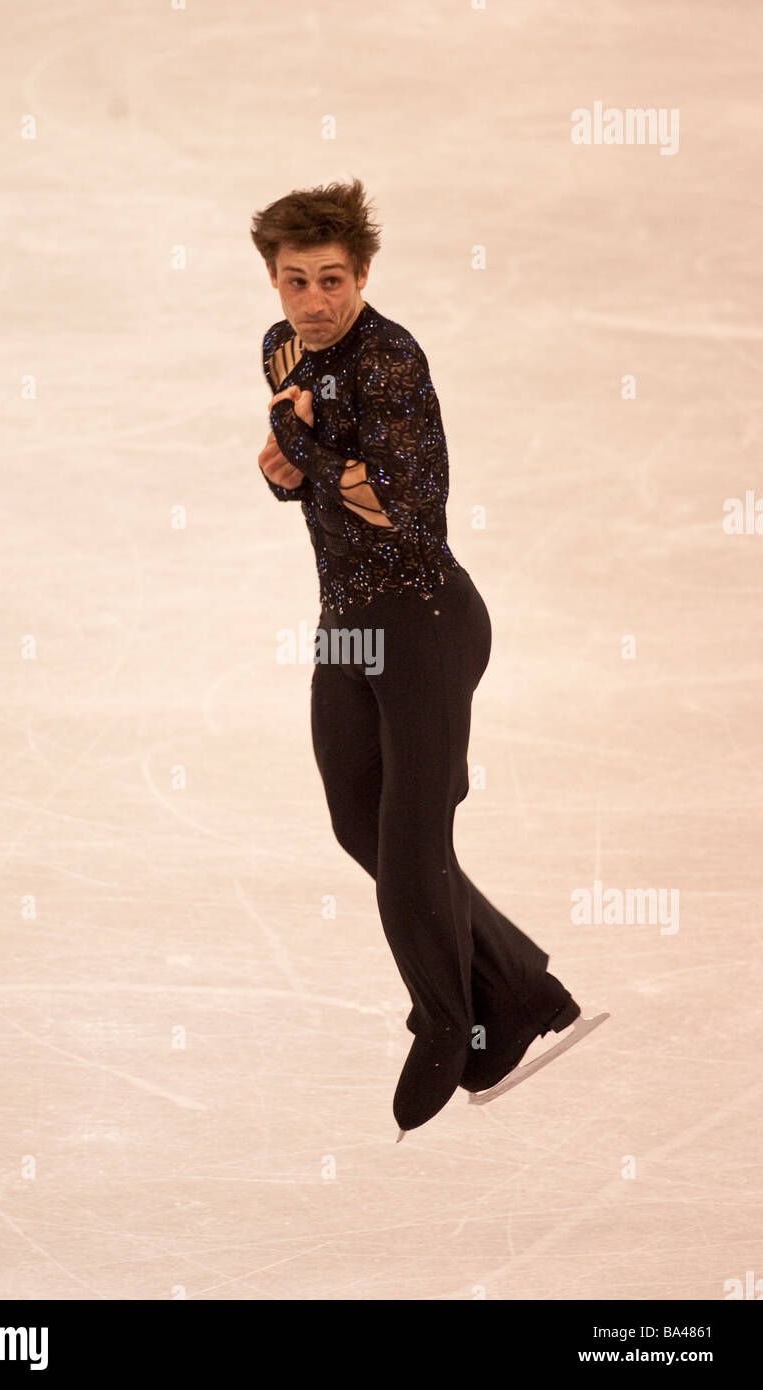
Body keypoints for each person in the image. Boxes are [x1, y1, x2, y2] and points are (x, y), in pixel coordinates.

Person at [251, 178, 588, 1136]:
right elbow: (313, 472)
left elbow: (407, 512)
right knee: (362, 822)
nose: (313, 303)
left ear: (362, 274)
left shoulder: (393, 360)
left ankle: (453, 1023)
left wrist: (302, 452)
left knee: (409, 854)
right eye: (293, 282)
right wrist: (286, 472)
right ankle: (518, 985)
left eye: (331, 280)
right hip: (348, 621)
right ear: (273, 283)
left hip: (427, 623)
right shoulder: (279, 351)